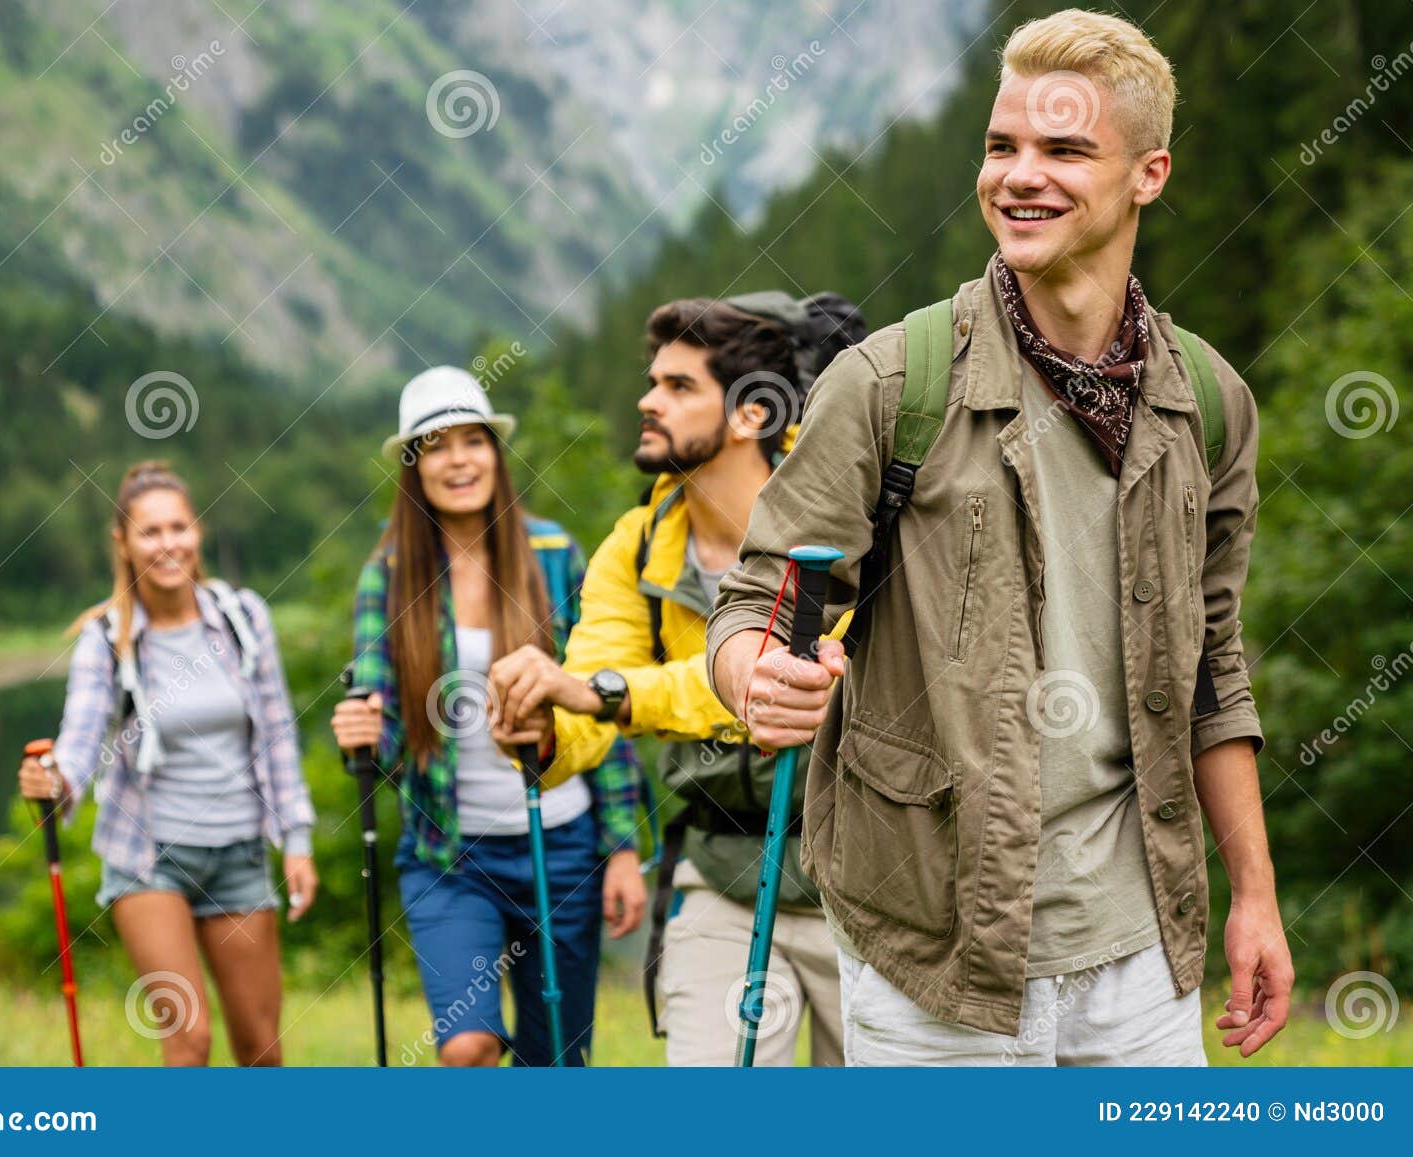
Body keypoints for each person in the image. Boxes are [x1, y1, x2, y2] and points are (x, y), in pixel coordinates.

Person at [708, 9, 1293, 1065]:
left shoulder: (1209, 400)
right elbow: (755, 605)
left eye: (1065, 150)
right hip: (931, 952)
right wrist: (753, 675)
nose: (1019, 176)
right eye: (1000, 145)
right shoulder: (892, 383)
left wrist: (1252, 893)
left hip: (1140, 957)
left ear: (1147, 175)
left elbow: (1212, 668)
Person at [488, 292, 865, 1066]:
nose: (647, 400)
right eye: (652, 380)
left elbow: (767, 684)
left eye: (678, 386)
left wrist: (602, 694)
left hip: (868, 885)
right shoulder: (636, 546)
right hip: (721, 875)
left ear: (751, 414)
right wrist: (543, 726)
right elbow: (594, 684)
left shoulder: (845, 514)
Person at [333, 366, 647, 1068]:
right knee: (467, 1045)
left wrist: (623, 846)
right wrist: (361, 735)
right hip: (450, 857)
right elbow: (382, 730)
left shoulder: (553, 554)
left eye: (473, 440)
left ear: (495, 454)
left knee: (557, 1060)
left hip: (561, 844)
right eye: (436, 445)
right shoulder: (388, 573)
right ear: (414, 467)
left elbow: (602, 699)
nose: (458, 460)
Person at [17, 460, 317, 1066]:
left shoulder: (241, 617)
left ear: (198, 531)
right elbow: (79, 740)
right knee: (189, 1039)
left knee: (262, 1051)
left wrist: (300, 837)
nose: (167, 543)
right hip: (148, 856)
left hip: (240, 851)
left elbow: (278, 736)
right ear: (123, 543)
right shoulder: (106, 638)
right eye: (149, 532)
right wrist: (55, 781)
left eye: (178, 527)